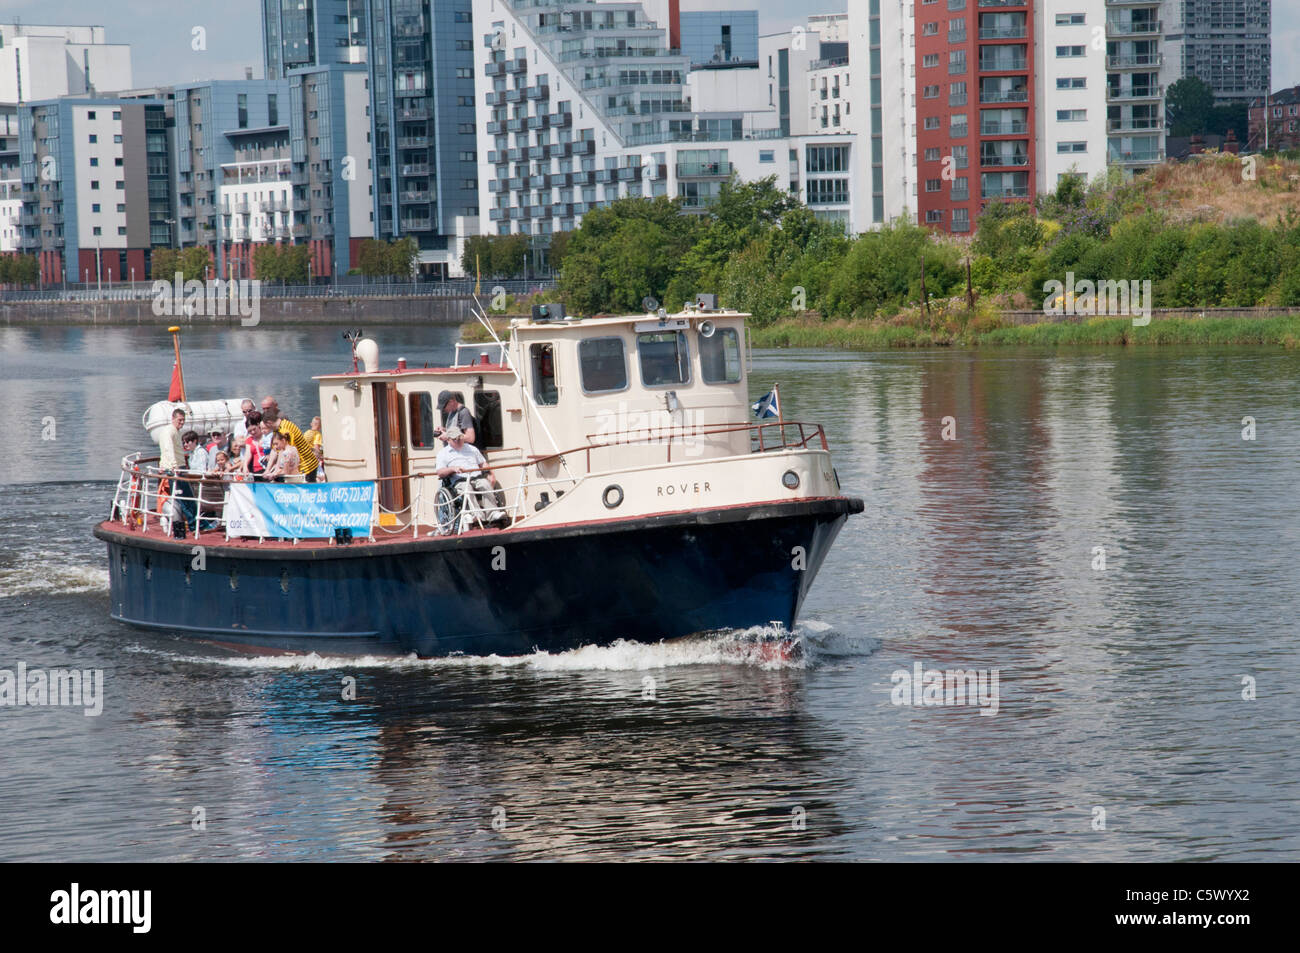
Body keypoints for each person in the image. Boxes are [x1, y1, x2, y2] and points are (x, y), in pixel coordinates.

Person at [434, 426, 506, 526]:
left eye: (460, 438)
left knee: (485, 484)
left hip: (476, 477)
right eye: (455, 439)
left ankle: (492, 513)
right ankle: (476, 514)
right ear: (449, 440)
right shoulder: (443, 454)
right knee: (466, 487)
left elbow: (483, 463)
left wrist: (490, 473)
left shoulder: (472, 449)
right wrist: (452, 469)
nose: (459, 440)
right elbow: (440, 472)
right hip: (460, 480)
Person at [261, 399, 320, 482]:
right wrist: (267, 470)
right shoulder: (277, 429)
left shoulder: (285, 429)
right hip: (298, 465)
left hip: (307, 465)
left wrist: (276, 470)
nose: (267, 429)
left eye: (266, 427)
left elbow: (284, 450)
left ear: (269, 423)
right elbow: (274, 450)